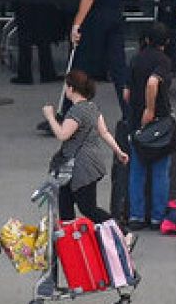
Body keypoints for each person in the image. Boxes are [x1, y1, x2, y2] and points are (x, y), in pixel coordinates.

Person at [43, 70, 131, 225]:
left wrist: (50, 117)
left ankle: (121, 231)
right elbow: (104, 132)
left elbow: (62, 135)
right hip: (91, 163)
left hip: (79, 166)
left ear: (71, 88)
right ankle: (69, 235)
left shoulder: (76, 111)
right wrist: (118, 151)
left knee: (88, 208)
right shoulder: (92, 107)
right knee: (66, 200)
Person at [121, 22, 176, 228]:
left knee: (137, 170)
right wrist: (150, 108)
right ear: (166, 41)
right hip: (158, 120)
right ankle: (157, 216)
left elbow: (126, 93)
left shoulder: (136, 59)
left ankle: (136, 215)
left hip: (136, 122)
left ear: (146, 39)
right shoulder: (163, 60)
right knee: (160, 170)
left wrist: (138, 109)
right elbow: (153, 82)